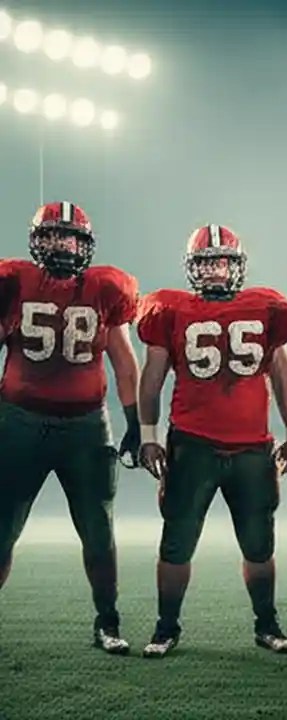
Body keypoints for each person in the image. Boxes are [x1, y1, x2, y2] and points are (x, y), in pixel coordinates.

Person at [135, 224, 287, 657]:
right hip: (192, 445)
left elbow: (283, 376)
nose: (215, 271)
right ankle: (165, 627)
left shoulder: (265, 308)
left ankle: (267, 625)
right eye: (206, 263)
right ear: (193, 268)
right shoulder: (170, 309)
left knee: (259, 543)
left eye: (222, 261)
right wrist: (149, 436)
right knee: (177, 541)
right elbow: (150, 381)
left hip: (252, 448)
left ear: (238, 265)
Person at [0, 201, 142, 655]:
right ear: (36, 240)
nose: (62, 244)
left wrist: (136, 421)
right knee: (2, 530)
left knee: (98, 531)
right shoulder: (14, 283)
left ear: (86, 244)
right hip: (19, 422)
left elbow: (123, 361)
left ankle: (108, 621)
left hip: (85, 427)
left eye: (71, 237)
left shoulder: (103, 288)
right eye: (52, 235)